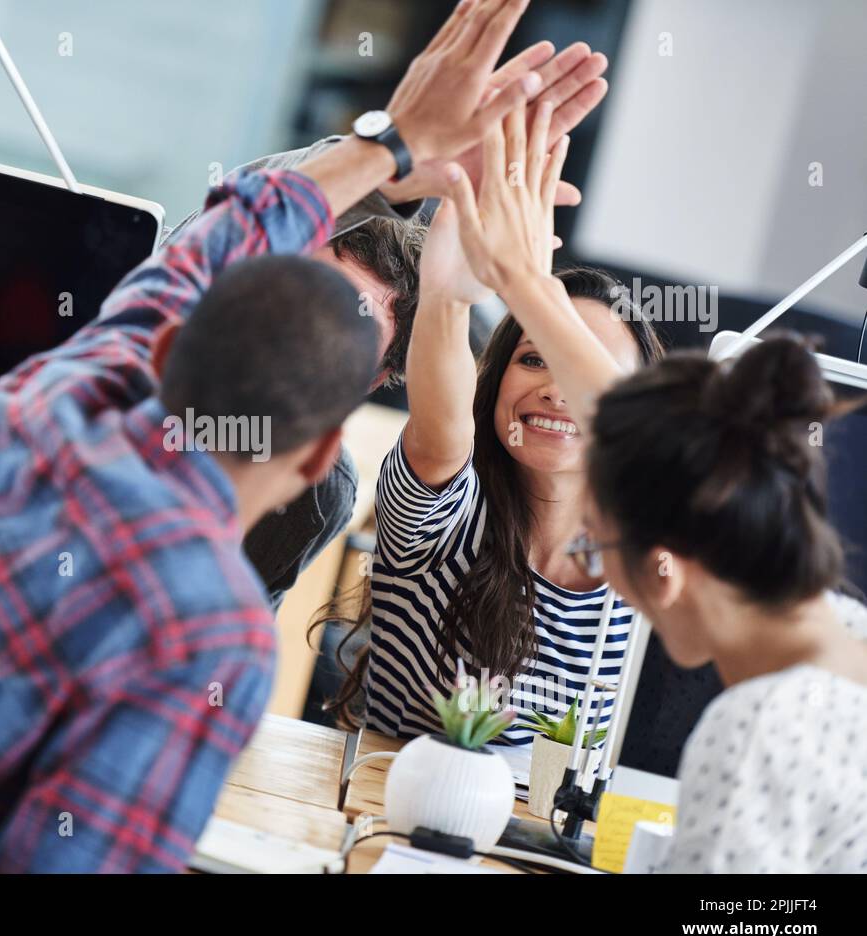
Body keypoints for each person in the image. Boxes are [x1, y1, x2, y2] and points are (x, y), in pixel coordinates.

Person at [0, 0, 548, 872]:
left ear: (165, 343)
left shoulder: (43, 404)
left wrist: (393, 143)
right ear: (317, 451)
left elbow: (213, 242)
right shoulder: (207, 637)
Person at [442, 102, 867, 872]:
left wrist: (521, 277)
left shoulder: (759, 728)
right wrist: (519, 280)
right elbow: (653, 441)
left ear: (662, 557)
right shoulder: (845, 639)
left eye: (601, 543)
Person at [165, 40, 612, 608]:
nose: (286, 352)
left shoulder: (311, 500)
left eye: (333, 347)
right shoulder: (121, 367)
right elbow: (223, 231)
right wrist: (387, 164)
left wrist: (509, 283)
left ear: (366, 387)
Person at [328, 100, 663, 744]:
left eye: (584, 368)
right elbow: (440, 433)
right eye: (534, 357)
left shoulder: (650, 569)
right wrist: (448, 295)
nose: (556, 391)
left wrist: (525, 277)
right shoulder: (446, 516)